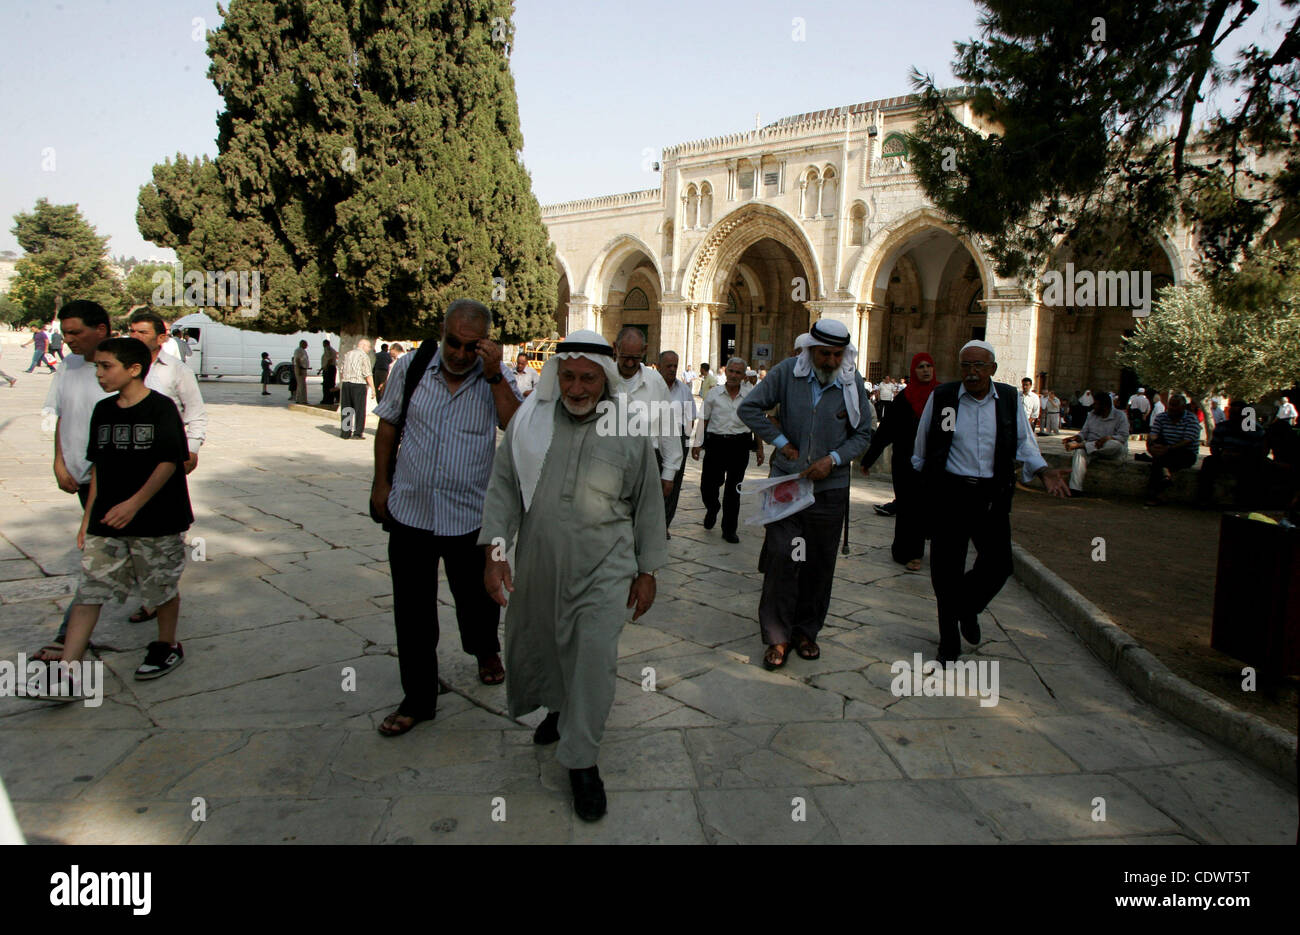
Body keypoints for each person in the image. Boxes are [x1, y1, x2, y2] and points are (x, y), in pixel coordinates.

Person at [479, 330, 667, 822]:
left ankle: (581, 762)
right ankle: (559, 712)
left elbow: (648, 503)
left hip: (606, 567)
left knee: (593, 658)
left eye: (588, 378)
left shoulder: (628, 428)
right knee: (548, 642)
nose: (578, 388)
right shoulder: (530, 422)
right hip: (541, 563)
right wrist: (496, 552)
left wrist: (647, 570)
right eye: (568, 377)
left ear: (604, 380)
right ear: (555, 376)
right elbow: (502, 487)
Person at [369, 300, 521, 737]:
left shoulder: (495, 376)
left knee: (477, 601)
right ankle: (418, 696)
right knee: (412, 611)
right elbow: (388, 425)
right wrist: (381, 484)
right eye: (452, 341)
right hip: (412, 510)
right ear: (442, 333)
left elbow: (516, 424)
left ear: (485, 344)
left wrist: (493, 375)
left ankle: (485, 650)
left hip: (470, 516)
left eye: (470, 345)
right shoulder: (412, 368)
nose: (458, 353)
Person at [28, 336, 195, 698]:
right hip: (108, 520)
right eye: (98, 367)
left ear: (133, 369)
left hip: (157, 518)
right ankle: (68, 669)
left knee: (160, 586)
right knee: (90, 589)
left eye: (107, 367)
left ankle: (166, 645)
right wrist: (89, 518)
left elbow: (169, 463)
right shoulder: (103, 411)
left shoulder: (161, 408)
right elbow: (99, 466)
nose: (100, 374)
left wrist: (135, 504)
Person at [912, 340, 1070, 663]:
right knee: (946, 570)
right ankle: (948, 642)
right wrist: (924, 487)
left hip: (991, 495)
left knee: (999, 564)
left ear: (992, 369)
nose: (972, 373)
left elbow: (1024, 444)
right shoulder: (944, 399)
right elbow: (923, 444)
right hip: (951, 494)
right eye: (966, 366)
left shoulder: (1008, 400)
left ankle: (967, 607)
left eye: (979, 366)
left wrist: (1043, 472)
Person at [739, 319, 873, 669]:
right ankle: (777, 636)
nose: (830, 362)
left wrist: (834, 459)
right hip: (787, 484)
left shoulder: (850, 381)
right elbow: (749, 409)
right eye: (824, 354)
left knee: (818, 562)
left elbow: (863, 433)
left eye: (836, 355)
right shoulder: (786, 373)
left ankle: (805, 631)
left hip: (830, 489)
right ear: (811, 350)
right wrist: (781, 443)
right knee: (783, 556)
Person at [30, 301, 113, 661]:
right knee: (111, 555)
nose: (69, 340)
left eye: (76, 332)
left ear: (102, 330)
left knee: (97, 559)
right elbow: (62, 414)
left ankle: (67, 642)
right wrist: (59, 461)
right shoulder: (68, 366)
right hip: (79, 477)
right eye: (65, 333)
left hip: (110, 480)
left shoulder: (119, 371)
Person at [123, 310, 208, 623]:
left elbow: (195, 412)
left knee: (163, 535)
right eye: (132, 331)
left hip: (165, 464)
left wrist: (193, 448)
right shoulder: (118, 369)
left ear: (161, 338)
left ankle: (159, 598)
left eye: (143, 332)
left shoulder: (176, 371)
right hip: (125, 465)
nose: (135, 337)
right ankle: (146, 590)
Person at [860, 352, 936, 571]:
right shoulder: (905, 399)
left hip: (932, 463)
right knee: (907, 507)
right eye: (920, 366)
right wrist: (869, 459)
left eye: (928, 366)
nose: (925, 370)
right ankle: (908, 552)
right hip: (905, 462)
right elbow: (887, 431)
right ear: (913, 370)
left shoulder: (941, 396)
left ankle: (920, 549)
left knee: (925, 507)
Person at [693, 357, 763, 544]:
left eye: (738, 373)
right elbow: (704, 420)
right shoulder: (714, 394)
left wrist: (760, 447)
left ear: (743, 376)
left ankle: (729, 529)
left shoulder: (750, 396)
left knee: (734, 489)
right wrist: (697, 443)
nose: (733, 375)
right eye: (731, 371)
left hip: (739, 445)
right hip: (716, 444)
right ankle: (713, 507)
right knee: (708, 485)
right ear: (726, 372)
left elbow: (756, 423)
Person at [614, 326, 681, 510]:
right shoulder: (604, 378)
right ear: (615, 348)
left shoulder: (655, 381)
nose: (629, 363)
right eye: (625, 356)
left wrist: (668, 472)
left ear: (644, 350)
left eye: (635, 358)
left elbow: (667, 428)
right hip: (609, 465)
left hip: (646, 464)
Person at [1196, 400, 1268, 508]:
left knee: (1253, 468)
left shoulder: (1255, 429)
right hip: (1224, 458)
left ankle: (1243, 502)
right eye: (1231, 413)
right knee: (1208, 462)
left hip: (1244, 460)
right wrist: (1221, 454)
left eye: (1236, 414)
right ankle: (1203, 498)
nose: (1233, 417)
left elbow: (1259, 450)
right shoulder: (1222, 426)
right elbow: (1214, 445)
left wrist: (1240, 455)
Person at [659, 350, 697, 536]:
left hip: (679, 437)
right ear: (659, 366)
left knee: (672, 483)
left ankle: (664, 523)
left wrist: (687, 443)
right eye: (669, 366)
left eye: (675, 366)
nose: (672, 369)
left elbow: (690, 419)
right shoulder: (651, 387)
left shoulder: (684, 390)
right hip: (654, 438)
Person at [1063, 390, 1130, 495]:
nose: (1093, 405)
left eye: (1096, 403)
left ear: (1104, 406)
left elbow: (1123, 436)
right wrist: (1075, 438)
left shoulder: (1120, 416)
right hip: (1093, 449)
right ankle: (1075, 488)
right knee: (1080, 452)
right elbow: (1084, 433)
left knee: (1114, 444)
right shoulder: (1092, 415)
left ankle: (1084, 446)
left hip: (1111, 451)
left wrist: (1108, 438)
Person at [1142, 393, 1201, 505]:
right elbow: (1153, 434)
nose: (1172, 408)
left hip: (1184, 452)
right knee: (1159, 455)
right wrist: (1152, 447)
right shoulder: (1161, 417)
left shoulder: (1191, 419)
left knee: (1159, 460)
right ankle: (1163, 479)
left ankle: (1156, 493)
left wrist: (1168, 448)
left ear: (1183, 407)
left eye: (1175, 405)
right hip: (1164, 450)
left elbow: (1187, 440)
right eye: (1171, 405)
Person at [338, 339, 376, 439]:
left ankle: (345, 433)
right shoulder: (364, 356)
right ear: (363, 346)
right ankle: (358, 433)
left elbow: (341, 370)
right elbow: (367, 374)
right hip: (358, 384)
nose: (369, 349)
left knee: (346, 408)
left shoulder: (348, 354)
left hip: (346, 384)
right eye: (368, 347)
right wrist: (373, 388)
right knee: (359, 410)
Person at [319, 339, 338, 405]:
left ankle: (327, 399)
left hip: (329, 368)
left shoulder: (328, 349)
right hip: (330, 368)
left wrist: (326, 368)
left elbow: (329, 359)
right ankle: (329, 399)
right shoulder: (331, 349)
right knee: (330, 384)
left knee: (327, 385)